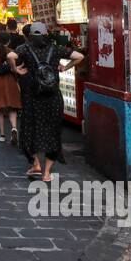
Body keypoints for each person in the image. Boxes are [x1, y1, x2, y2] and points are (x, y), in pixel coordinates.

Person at [9, 22, 83, 183]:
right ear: (45, 34)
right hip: (53, 97)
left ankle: (36, 164)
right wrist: (66, 67)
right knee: (53, 132)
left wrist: (16, 69)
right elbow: (79, 56)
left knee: (30, 130)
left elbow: (10, 56)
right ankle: (47, 173)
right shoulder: (55, 48)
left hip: (32, 97)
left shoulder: (26, 49)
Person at [0, 21, 24, 147]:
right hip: (11, 80)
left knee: (0, 109)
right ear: (8, 41)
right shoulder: (12, 52)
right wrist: (15, 70)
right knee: (12, 107)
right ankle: (14, 128)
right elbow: (15, 67)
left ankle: (2, 134)